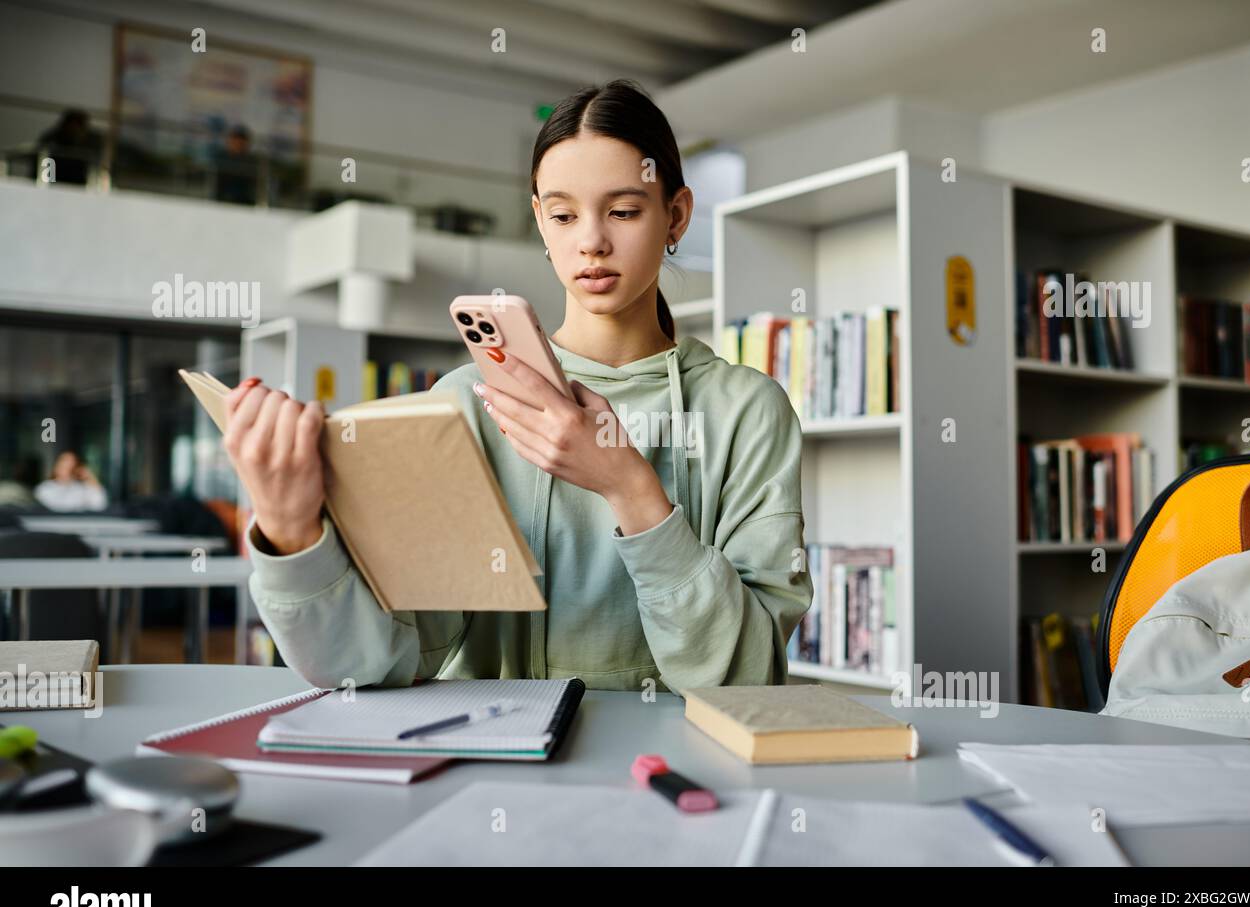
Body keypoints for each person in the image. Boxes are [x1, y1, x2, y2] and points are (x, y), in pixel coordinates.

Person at [224, 79, 813, 693]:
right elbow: (376, 666)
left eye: (624, 211)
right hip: (489, 771)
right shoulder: (464, 405)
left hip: (678, 773)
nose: (591, 241)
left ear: (677, 215)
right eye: (563, 214)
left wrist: (628, 485)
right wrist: (291, 533)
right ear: (539, 220)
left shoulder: (746, 411)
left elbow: (750, 676)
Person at [35, 109, 103, 186]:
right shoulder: (53, 138)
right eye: (71, 125)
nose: (74, 129)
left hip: (79, 182)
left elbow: (96, 161)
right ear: (65, 125)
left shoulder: (92, 140)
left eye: (77, 125)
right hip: (53, 179)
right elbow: (43, 159)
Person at [34, 451, 108, 512]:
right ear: (56, 467)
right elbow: (58, 508)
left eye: (72, 466)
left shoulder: (82, 489)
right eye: (64, 465)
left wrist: (89, 477)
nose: (68, 469)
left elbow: (100, 504)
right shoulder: (44, 488)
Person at [213, 125, 258, 205]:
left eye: (241, 141)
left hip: (244, 203)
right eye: (235, 140)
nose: (238, 143)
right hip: (220, 201)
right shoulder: (221, 158)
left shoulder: (251, 162)